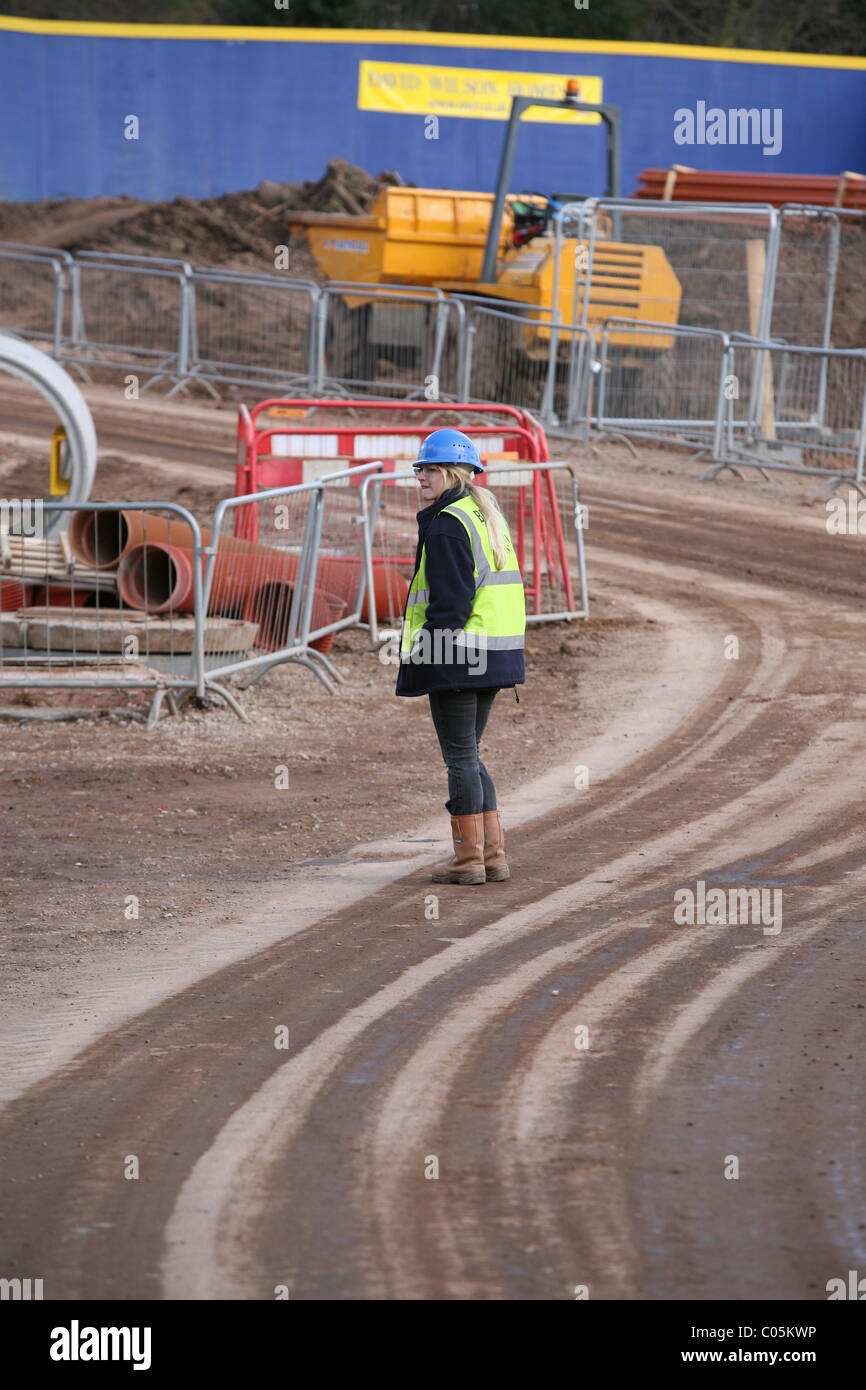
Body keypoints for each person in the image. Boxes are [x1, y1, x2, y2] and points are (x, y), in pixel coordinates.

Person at [395, 428, 526, 885]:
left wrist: (425, 657)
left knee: (461, 758)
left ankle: (467, 859)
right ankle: (491, 856)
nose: (421, 477)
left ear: (452, 473)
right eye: (419, 469)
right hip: (495, 656)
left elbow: (450, 606)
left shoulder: (449, 523)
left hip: (458, 656)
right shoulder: (483, 514)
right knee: (470, 754)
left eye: (429, 469)